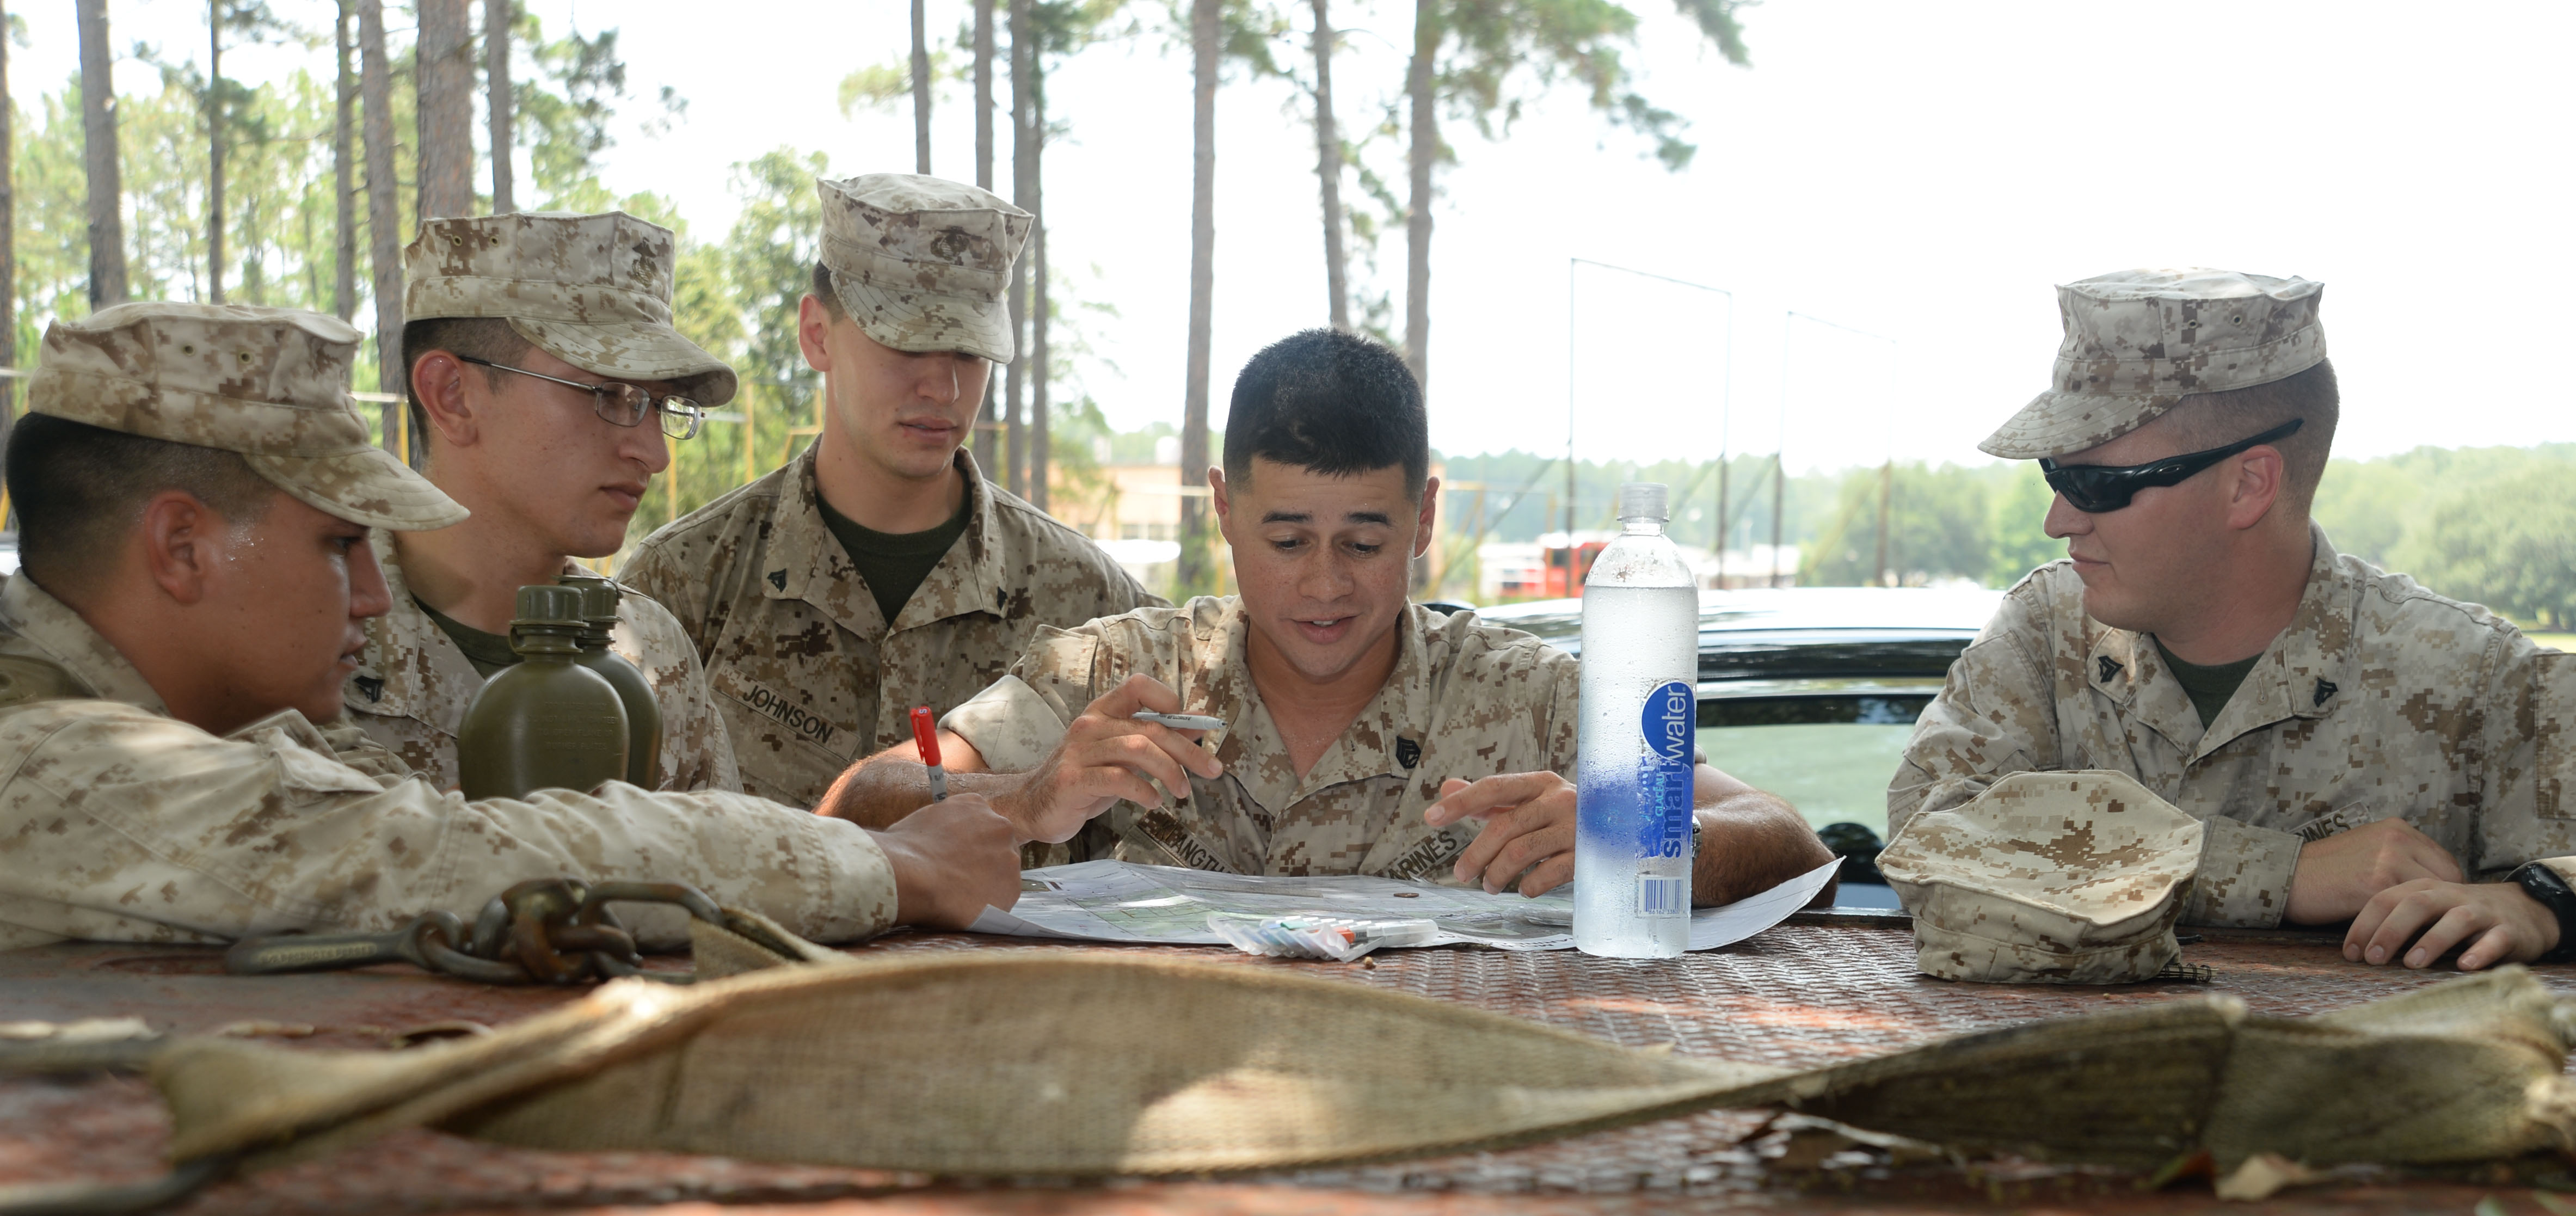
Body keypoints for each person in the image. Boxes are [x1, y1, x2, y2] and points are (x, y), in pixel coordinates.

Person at [0, 302, 1020, 953]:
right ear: (181, 548)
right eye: (334, 546)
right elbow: (452, 854)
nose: (369, 593)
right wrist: (892, 869)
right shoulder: (47, 762)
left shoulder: (181, 722)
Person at [816, 328, 1829, 902]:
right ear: (1222, 507)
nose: (1324, 586)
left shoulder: (1526, 695)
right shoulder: (1116, 675)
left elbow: (1788, 842)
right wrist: (1029, 797)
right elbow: (854, 804)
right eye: (1288, 539)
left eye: (1364, 541)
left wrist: (1633, 827)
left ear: (1424, 517)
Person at [1892, 267, 2576, 970]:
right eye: (2053, 475)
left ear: (2249, 486)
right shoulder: (2042, 635)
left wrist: (2550, 904)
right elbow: (1928, 844)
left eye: (2098, 484)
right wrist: (2282, 876)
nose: (2060, 519)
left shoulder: (2476, 680)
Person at [619, 174, 1145, 808]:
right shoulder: (687, 586)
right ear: (817, 334)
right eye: (907, 341)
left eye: (968, 352)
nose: (943, 389)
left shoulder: (1087, 600)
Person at [341, 210, 740, 791]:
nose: (654, 454)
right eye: (608, 393)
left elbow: (720, 875)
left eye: (660, 406)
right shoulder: (312, 641)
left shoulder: (651, 652)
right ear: (452, 396)